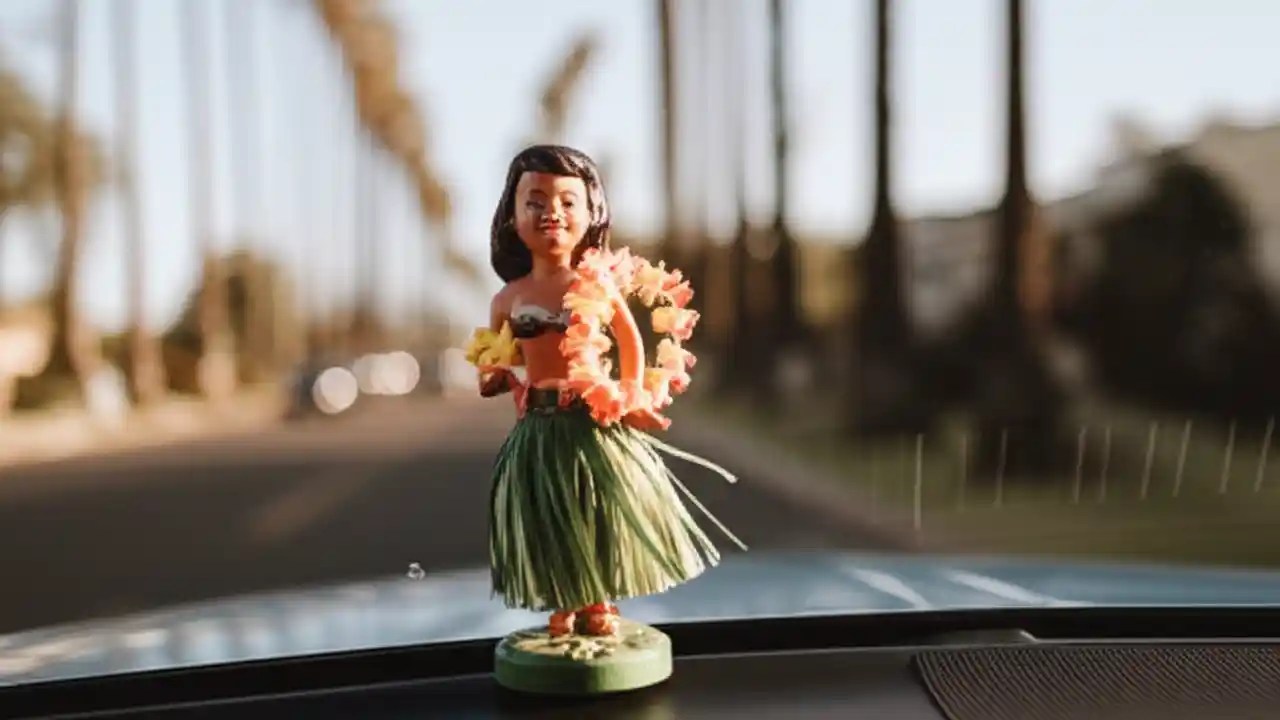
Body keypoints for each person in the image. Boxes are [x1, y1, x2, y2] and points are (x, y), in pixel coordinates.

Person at [478, 144, 744, 638]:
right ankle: (562, 600)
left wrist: (630, 396)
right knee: (550, 517)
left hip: (594, 420)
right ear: (512, 217)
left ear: (591, 213)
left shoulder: (597, 285)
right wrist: (497, 378)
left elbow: (630, 342)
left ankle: (599, 599)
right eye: (535, 202)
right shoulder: (506, 300)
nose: (551, 214)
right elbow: (495, 364)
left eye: (567, 202)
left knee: (598, 510)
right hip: (537, 427)